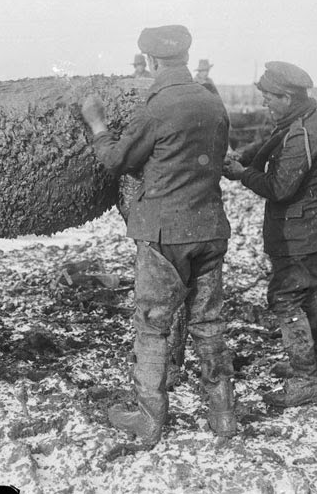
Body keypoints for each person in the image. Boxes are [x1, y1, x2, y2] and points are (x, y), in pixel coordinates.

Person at [79, 25, 236, 443]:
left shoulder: (156, 107)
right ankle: (223, 415)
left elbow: (116, 159)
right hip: (210, 229)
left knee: (152, 325)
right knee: (209, 323)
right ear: (186, 56)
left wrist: (96, 124)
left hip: (165, 234)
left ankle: (149, 419)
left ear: (150, 62)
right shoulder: (213, 103)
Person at [224, 61, 317, 407]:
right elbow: (268, 146)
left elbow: (279, 187)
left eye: (269, 98)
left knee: (286, 299)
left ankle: (306, 379)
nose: (264, 103)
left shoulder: (303, 134)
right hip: (313, 231)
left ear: (288, 97)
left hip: (304, 234)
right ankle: (316, 362)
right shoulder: (298, 123)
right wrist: (243, 159)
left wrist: (242, 174)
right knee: (304, 296)